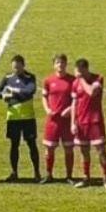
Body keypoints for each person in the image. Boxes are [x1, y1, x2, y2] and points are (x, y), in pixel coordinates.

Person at [0, 54, 41, 182]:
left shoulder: (30, 77)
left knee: (31, 144)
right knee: (14, 145)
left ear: (23, 66)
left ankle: (37, 172)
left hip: (28, 117)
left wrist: (14, 91)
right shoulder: (8, 78)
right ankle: (14, 172)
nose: (16, 70)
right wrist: (3, 96)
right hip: (13, 117)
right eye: (14, 67)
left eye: (18, 67)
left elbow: (30, 91)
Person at [70, 58, 106, 189]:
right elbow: (74, 103)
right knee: (84, 151)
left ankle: (105, 178)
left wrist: (82, 79)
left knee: (101, 150)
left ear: (86, 69)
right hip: (81, 122)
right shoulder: (75, 83)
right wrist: (72, 122)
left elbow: (91, 92)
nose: (78, 74)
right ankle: (86, 178)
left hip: (95, 121)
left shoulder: (98, 79)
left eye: (80, 71)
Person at [41, 53, 76, 184]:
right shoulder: (48, 80)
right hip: (53, 121)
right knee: (49, 149)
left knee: (68, 148)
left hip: (67, 121)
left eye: (62, 62)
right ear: (54, 65)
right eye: (57, 62)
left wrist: (70, 109)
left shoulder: (73, 80)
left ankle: (69, 176)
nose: (60, 65)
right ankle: (49, 175)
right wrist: (47, 109)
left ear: (66, 64)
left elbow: (77, 99)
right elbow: (44, 97)